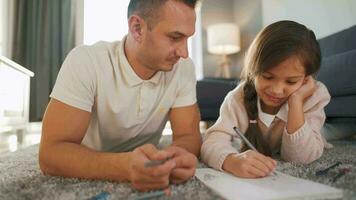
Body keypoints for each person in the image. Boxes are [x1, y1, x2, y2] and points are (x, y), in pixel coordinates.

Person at [39, 0, 201, 191]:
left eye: (188, 39)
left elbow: (188, 135)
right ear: (137, 28)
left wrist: (173, 159)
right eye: (175, 37)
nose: (184, 52)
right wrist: (124, 167)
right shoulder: (86, 61)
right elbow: (51, 154)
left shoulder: (183, 68)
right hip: (87, 156)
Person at [201, 20, 331, 178]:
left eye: (291, 81)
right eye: (267, 77)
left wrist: (296, 102)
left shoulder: (314, 96)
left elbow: (301, 158)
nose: (276, 90)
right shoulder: (237, 98)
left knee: (333, 132)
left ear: (306, 79)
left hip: (316, 133)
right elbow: (211, 142)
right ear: (253, 70)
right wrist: (231, 160)